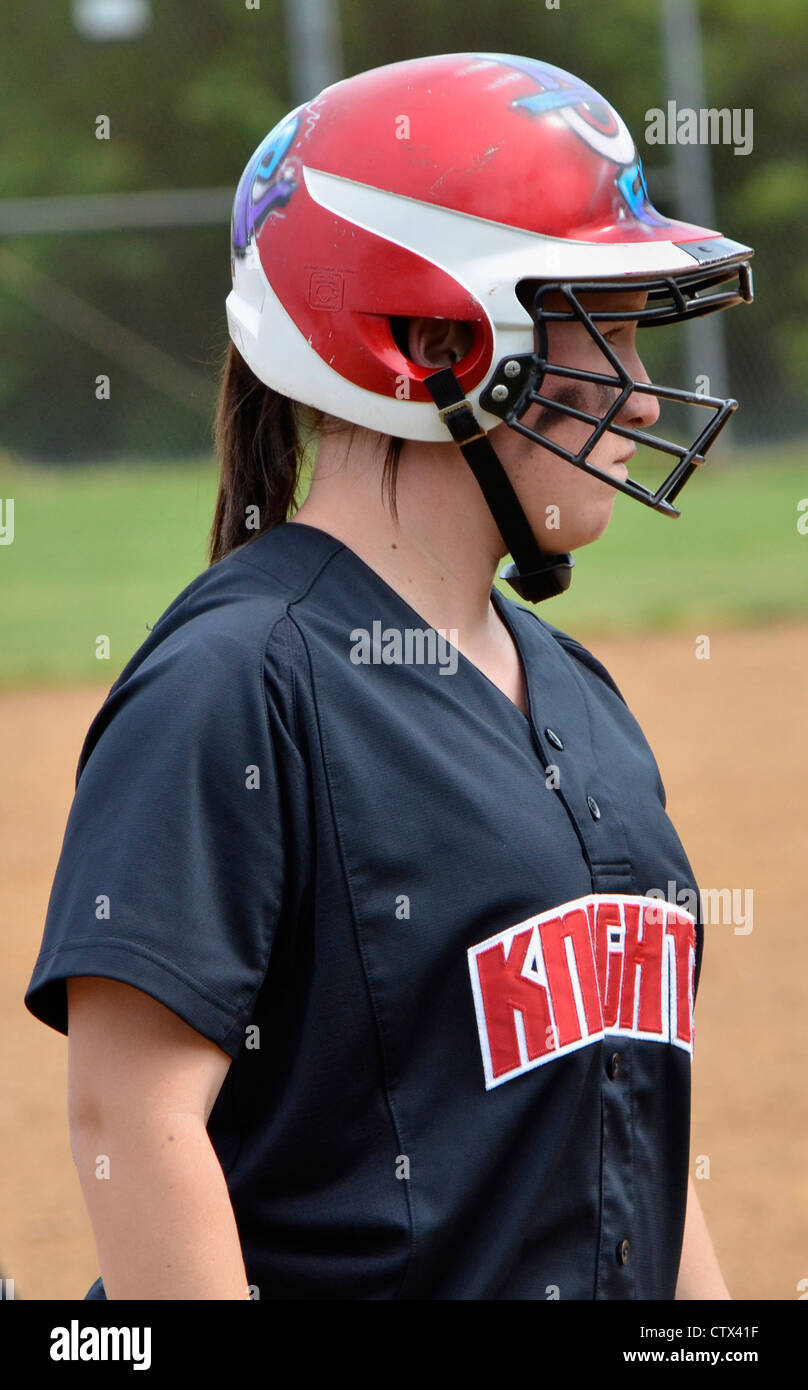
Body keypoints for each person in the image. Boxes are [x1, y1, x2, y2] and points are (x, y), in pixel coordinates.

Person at [25, 52, 754, 1300]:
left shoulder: (579, 696)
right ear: (426, 343)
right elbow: (126, 1125)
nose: (640, 396)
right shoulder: (234, 684)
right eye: (602, 330)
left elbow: (632, 1127)